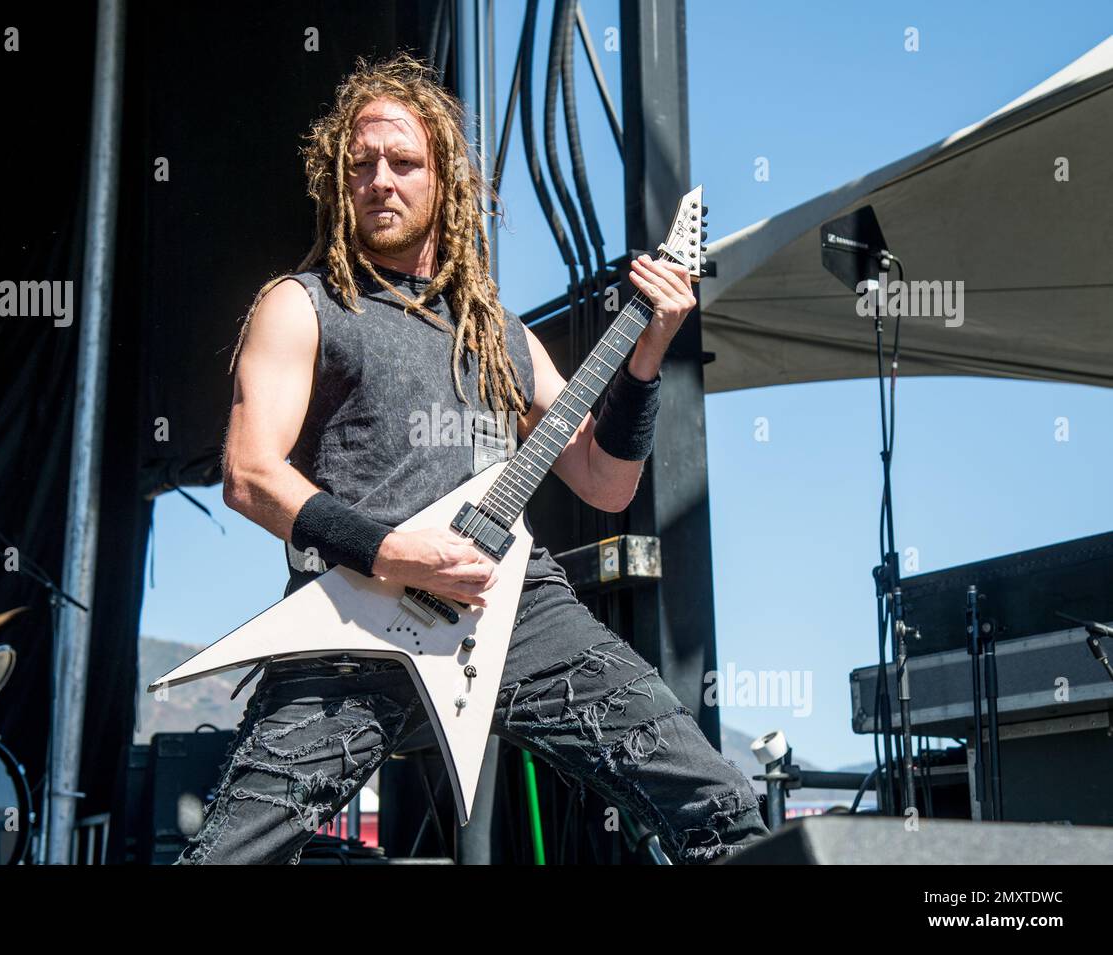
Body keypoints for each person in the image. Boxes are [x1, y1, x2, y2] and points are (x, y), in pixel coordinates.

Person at [178, 52, 767, 865]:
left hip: (517, 610)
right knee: (227, 859)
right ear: (337, 180)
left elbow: (605, 478)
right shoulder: (303, 303)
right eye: (361, 164)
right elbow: (250, 474)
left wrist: (646, 356)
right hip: (353, 620)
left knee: (720, 802)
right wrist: (389, 549)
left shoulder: (504, 338)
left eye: (404, 161)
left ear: (445, 178)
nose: (380, 179)